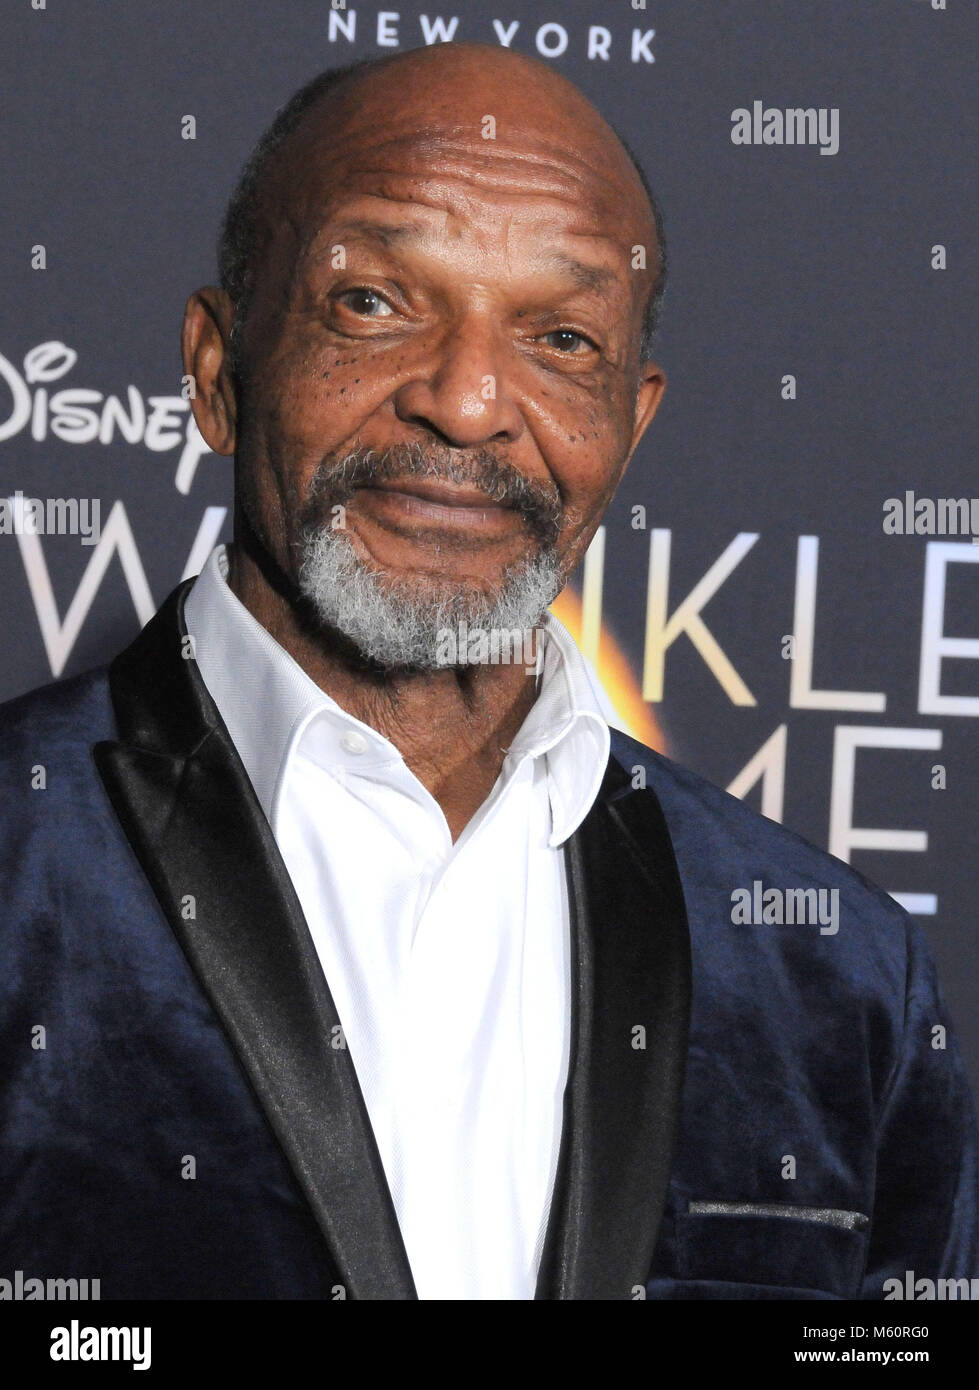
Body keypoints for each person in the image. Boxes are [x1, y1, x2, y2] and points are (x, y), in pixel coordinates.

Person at [1, 42, 976, 1302]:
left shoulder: (840, 979)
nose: (466, 403)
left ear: (629, 425)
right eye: (374, 303)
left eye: (562, 337)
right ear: (216, 370)